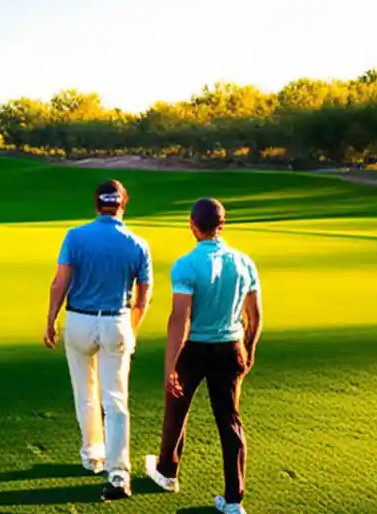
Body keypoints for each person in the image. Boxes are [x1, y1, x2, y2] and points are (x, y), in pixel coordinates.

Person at [145, 197, 263, 514]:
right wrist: (248, 354)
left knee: (176, 409)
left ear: (192, 226)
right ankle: (234, 500)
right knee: (229, 421)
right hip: (231, 347)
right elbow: (256, 316)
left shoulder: (186, 264)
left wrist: (171, 365)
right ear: (222, 225)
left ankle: (167, 473)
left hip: (194, 349)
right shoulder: (244, 262)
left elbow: (180, 319)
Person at [44, 179, 153, 501]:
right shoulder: (137, 243)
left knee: (85, 394)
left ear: (96, 205)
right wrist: (131, 329)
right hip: (117, 321)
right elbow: (143, 298)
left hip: (79, 320)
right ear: (123, 204)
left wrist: (51, 318)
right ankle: (119, 475)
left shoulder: (75, 236)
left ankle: (93, 456)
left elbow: (59, 282)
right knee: (115, 401)